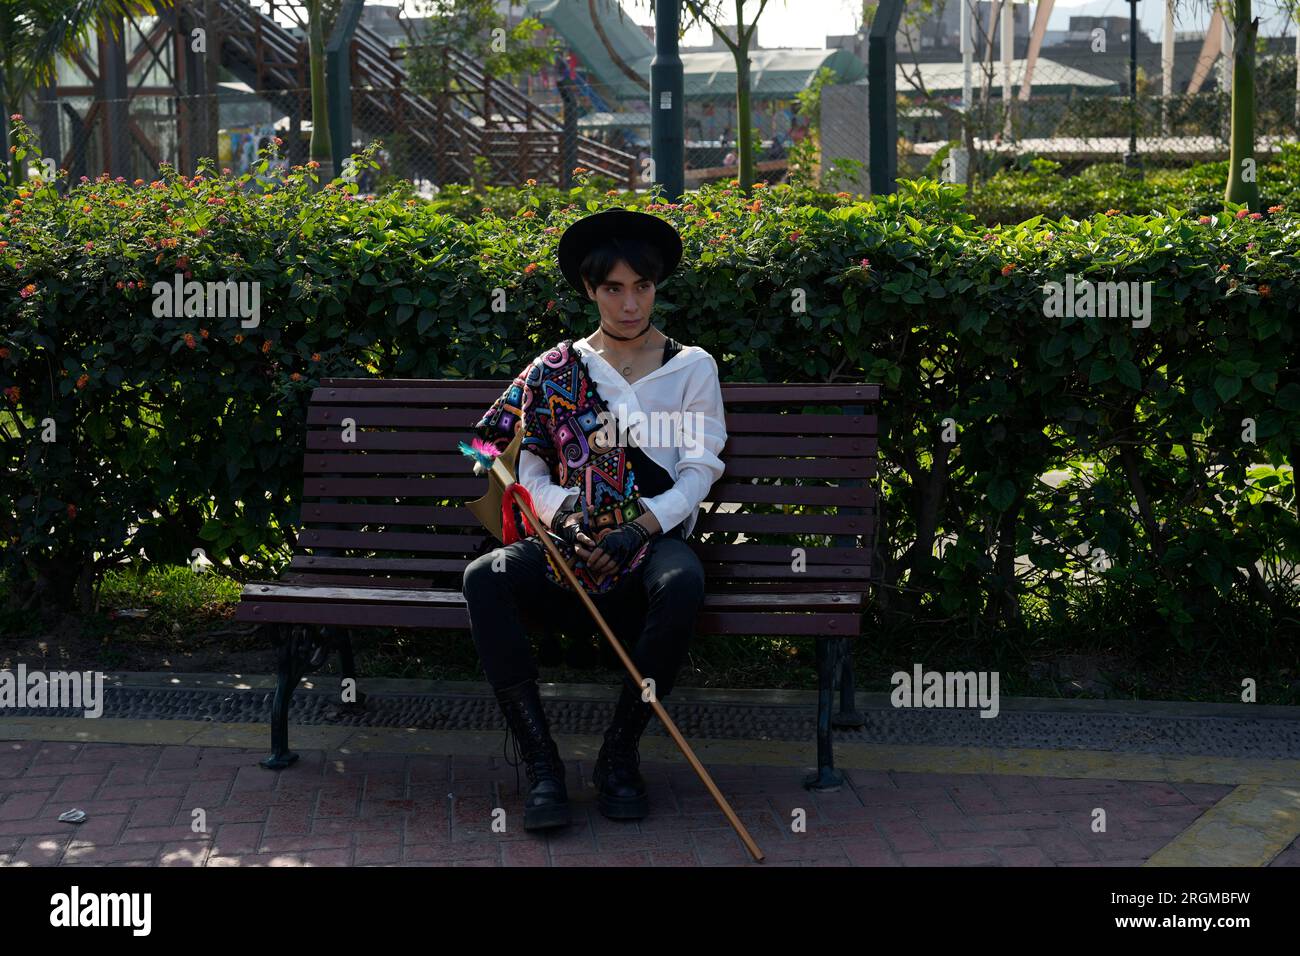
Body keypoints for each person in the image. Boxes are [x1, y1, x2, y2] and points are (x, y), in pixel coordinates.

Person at [461, 209, 727, 831]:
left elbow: (698, 471)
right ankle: (543, 765)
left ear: (657, 286)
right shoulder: (553, 370)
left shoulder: (693, 368)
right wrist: (571, 521)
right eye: (614, 287)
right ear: (590, 289)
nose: (630, 303)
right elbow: (513, 463)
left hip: (654, 538)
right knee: (485, 575)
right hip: (569, 540)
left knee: (682, 582)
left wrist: (639, 528)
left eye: (642, 286)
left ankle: (618, 754)